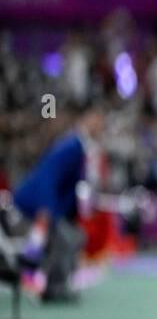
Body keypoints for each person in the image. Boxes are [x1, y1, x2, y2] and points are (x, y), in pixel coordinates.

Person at [12, 104, 104, 303]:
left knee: (75, 236)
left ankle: (56, 282)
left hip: (54, 207)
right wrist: (46, 209)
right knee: (66, 238)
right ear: (85, 119)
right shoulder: (71, 145)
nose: (99, 125)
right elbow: (48, 176)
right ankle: (54, 287)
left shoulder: (83, 147)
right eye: (96, 119)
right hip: (35, 204)